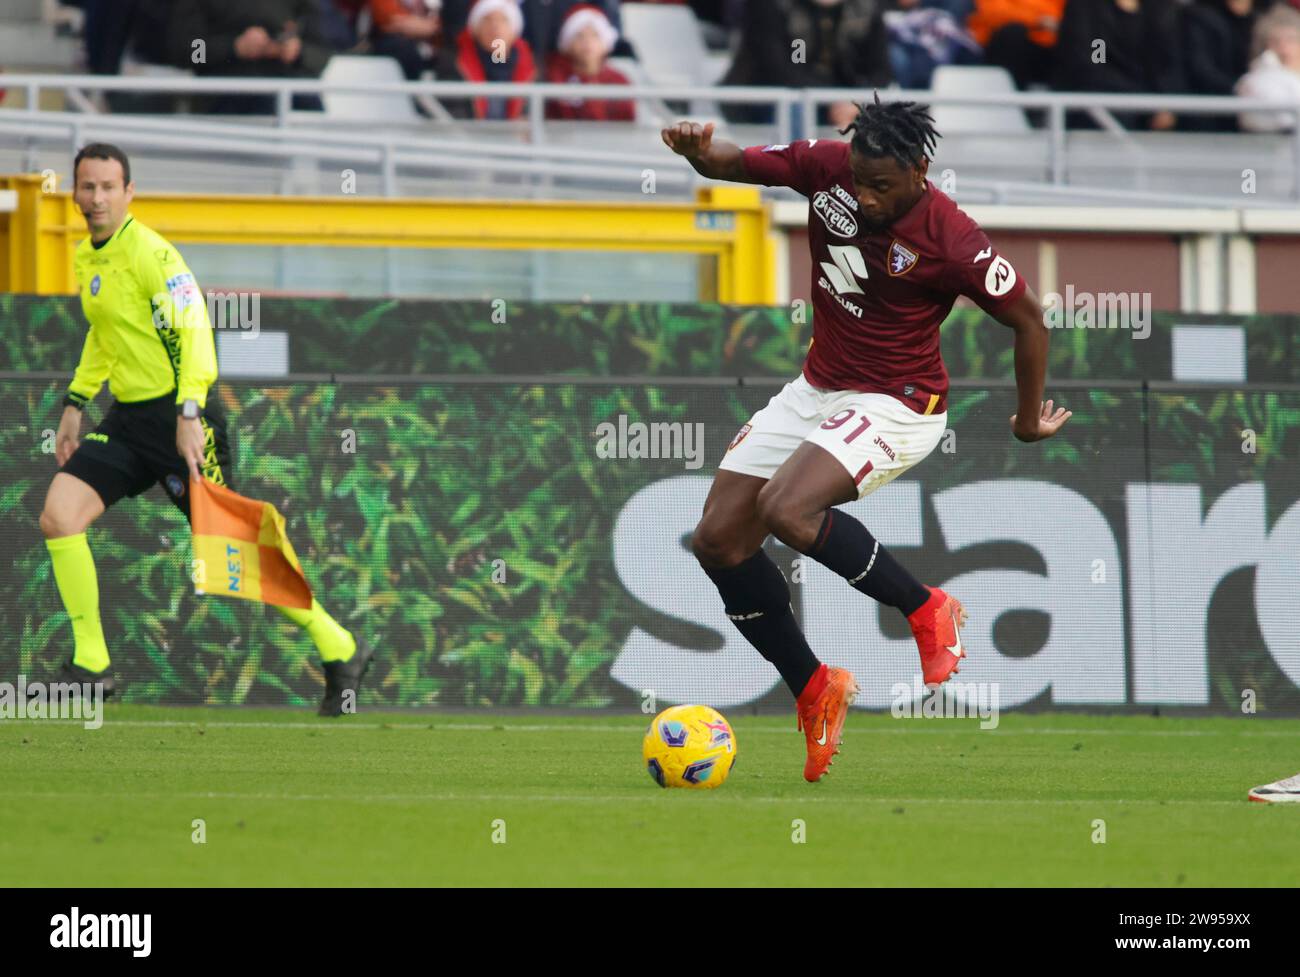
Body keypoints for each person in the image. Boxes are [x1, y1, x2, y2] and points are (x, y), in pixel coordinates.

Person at [661, 98, 1070, 782]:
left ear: (920, 171)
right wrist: (699, 152)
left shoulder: (952, 236)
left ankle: (926, 605)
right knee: (718, 542)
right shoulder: (828, 167)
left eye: (881, 186)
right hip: (817, 387)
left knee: (786, 509)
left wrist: (1027, 419)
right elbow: (737, 163)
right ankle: (814, 685)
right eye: (858, 181)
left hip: (901, 403)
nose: (864, 196)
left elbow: (1029, 318)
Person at [40, 143, 371, 717]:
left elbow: (196, 332)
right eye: (86, 187)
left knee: (234, 554)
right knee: (59, 514)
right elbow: (105, 333)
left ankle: (339, 646)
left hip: (179, 419)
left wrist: (190, 414)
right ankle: (91, 665)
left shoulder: (153, 255)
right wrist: (75, 402)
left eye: (107, 187)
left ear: (129, 193)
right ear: (74, 192)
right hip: (127, 421)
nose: (95, 198)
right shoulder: (86, 257)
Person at [723, 0, 892, 131]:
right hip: (770, 104)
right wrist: (833, 101)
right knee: (796, 108)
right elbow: (781, 69)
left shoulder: (867, 8)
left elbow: (881, 71)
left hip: (844, 105)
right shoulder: (775, 5)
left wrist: (855, 103)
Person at [167, 0, 333, 114]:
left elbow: (321, 52)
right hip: (224, 96)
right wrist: (234, 47)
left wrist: (296, 50)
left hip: (289, 94)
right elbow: (188, 50)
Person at [1051, 0, 1183, 130]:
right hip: (1101, 106)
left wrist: (1165, 103)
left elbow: (1167, 63)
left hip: (1150, 106)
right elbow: (1095, 61)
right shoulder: (1088, 8)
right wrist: (1140, 98)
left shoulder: (1161, 9)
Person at [436, 0, 536, 119]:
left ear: (514, 31)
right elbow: (454, 113)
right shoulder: (455, 63)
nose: (495, 26)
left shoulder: (530, 68)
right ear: (476, 29)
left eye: (503, 20)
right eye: (487, 19)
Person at [544, 4, 634, 121]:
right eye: (579, 36)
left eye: (595, 35)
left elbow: (627, 121)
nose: (587, 42)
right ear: (567, 44)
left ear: (605, 43)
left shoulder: (619, 81)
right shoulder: (555, 78)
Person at [1183, 0, 1261, 130]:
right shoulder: (1199, 16)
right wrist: (1239, 87)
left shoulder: (1262, 17)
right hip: (1209, 111)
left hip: (1255, 113)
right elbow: (1200, 67)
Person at [966, 0, 1064, 89]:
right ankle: (1010, 101)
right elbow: (992, 12)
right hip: (1005, 45)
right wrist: (1038, 20)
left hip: (1054, 46)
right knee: (1012, 34)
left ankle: (1074, 103)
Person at [1236, 3, 1300, 132]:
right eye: (1275, 41)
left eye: (1291, 39)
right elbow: (1282, 120)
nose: (1284, 47)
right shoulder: (1258, 80)